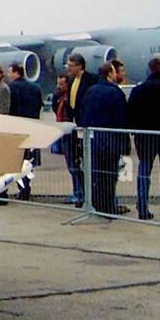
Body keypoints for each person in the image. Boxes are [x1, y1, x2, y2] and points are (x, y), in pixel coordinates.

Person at [128, 58, 160, 221]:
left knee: (144, 172)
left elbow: (131, 113)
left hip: (145, 137)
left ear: (149, 69)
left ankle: (142, 208)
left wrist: (134, 131)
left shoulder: (139, 90)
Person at [79, 61, 128, 214]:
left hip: (93, 139)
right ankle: (108, 206)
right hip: (110, 138)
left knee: (96, 174)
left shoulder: (91, 90)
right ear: (109, 74)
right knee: (110, 174)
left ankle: (97, 204)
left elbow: (84, 112)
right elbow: (120, 118)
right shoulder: (114, 92)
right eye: (114, 72)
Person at [64, 53, 99, 207]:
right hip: (75, 125)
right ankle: (81, 195)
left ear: (79, 66)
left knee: (90, 163)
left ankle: (91, 197)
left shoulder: (91, 80)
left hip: (87, 126)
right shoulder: (72, 81)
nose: (68, 68)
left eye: (71, 65)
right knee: (77, 163)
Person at [7, 62, 42, 199]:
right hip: (32, 126)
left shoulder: (12, 88)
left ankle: (23, 188)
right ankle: (26, 187)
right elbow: (38, 105)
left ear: (16, 73)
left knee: (18, 160)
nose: (9, 75)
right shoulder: (35, 88)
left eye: (10, 72)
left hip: (17, 128)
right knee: (29, 158)